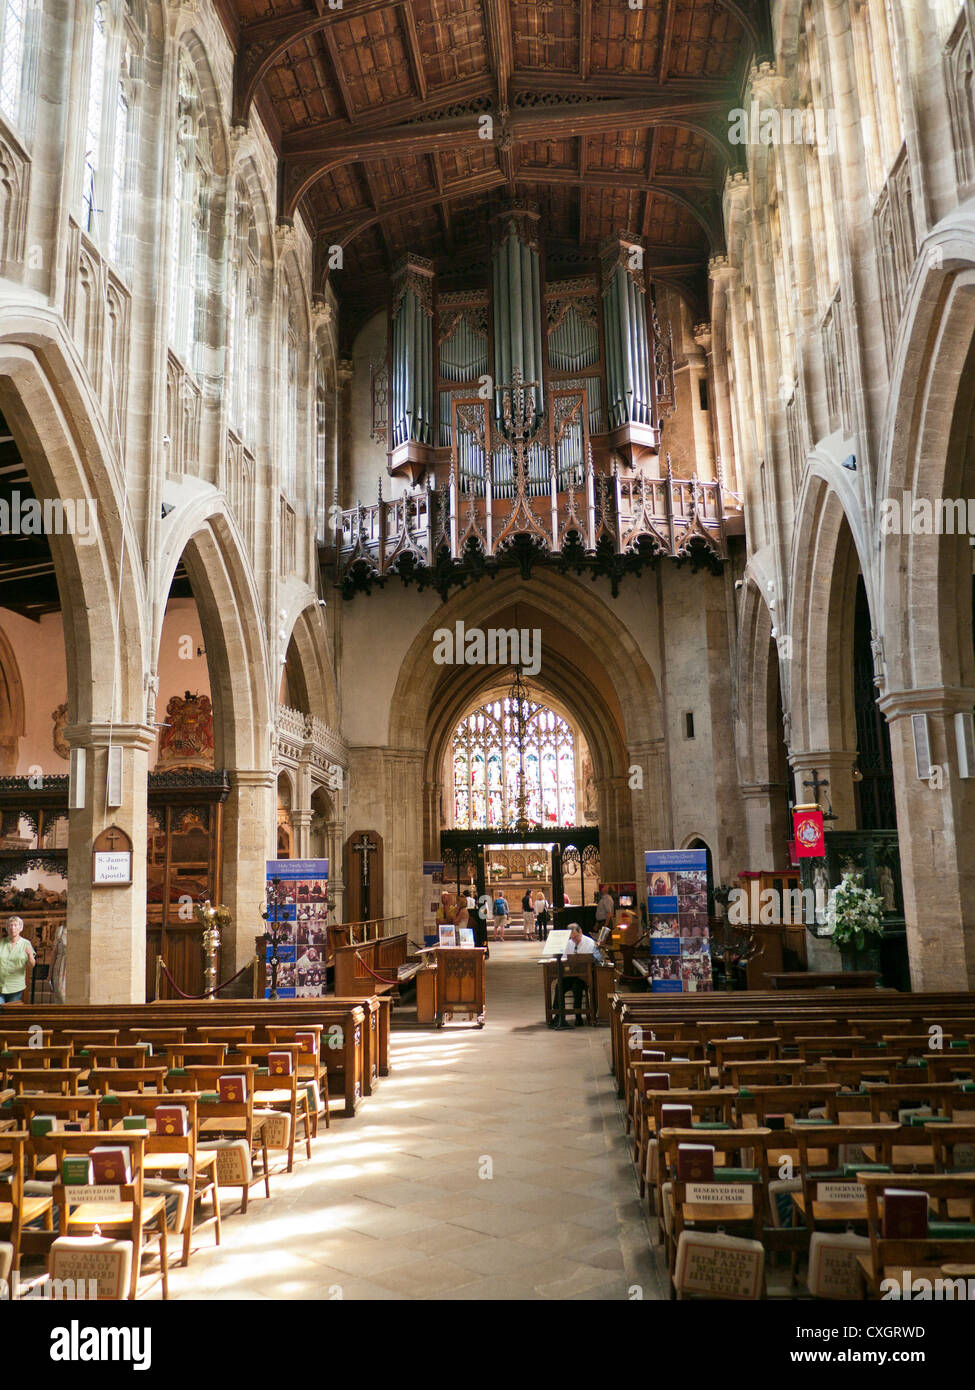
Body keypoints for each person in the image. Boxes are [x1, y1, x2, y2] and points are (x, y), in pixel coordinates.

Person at [551, 924, 602, 1026]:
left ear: (581, 932)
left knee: (577, 987)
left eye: (576, 936)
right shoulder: (569, 944)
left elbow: (596, 959)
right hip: (570, 974)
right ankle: (559, 1015)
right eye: (572, 937)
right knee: (559, 986)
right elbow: (564, 958)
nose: (574, 940)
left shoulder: (589, 943)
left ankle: (578, 1016)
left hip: (584, 977)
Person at [0, 916, 36, 1004]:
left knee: (11, 1014)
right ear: (7, 928)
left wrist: (30, 955)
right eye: (10, 926)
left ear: (21, 928)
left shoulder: (26, 943)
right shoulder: (2, 942)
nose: (12, 928)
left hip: (15, 986)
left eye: (15, 925)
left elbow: (31, 965)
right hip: (0, 984)